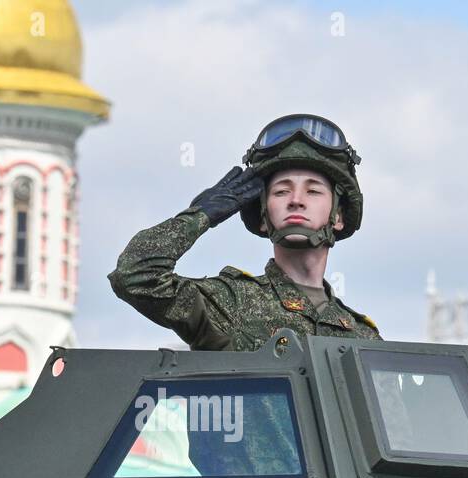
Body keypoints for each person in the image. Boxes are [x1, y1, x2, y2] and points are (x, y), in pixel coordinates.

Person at [108, 114, 382, 351]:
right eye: (281, 191)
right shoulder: (231, 303)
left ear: (338, 217)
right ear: (264, 217)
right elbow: (134, 276)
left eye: (313, 191)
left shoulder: (362, 337)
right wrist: (200, 216)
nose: (296, 200)